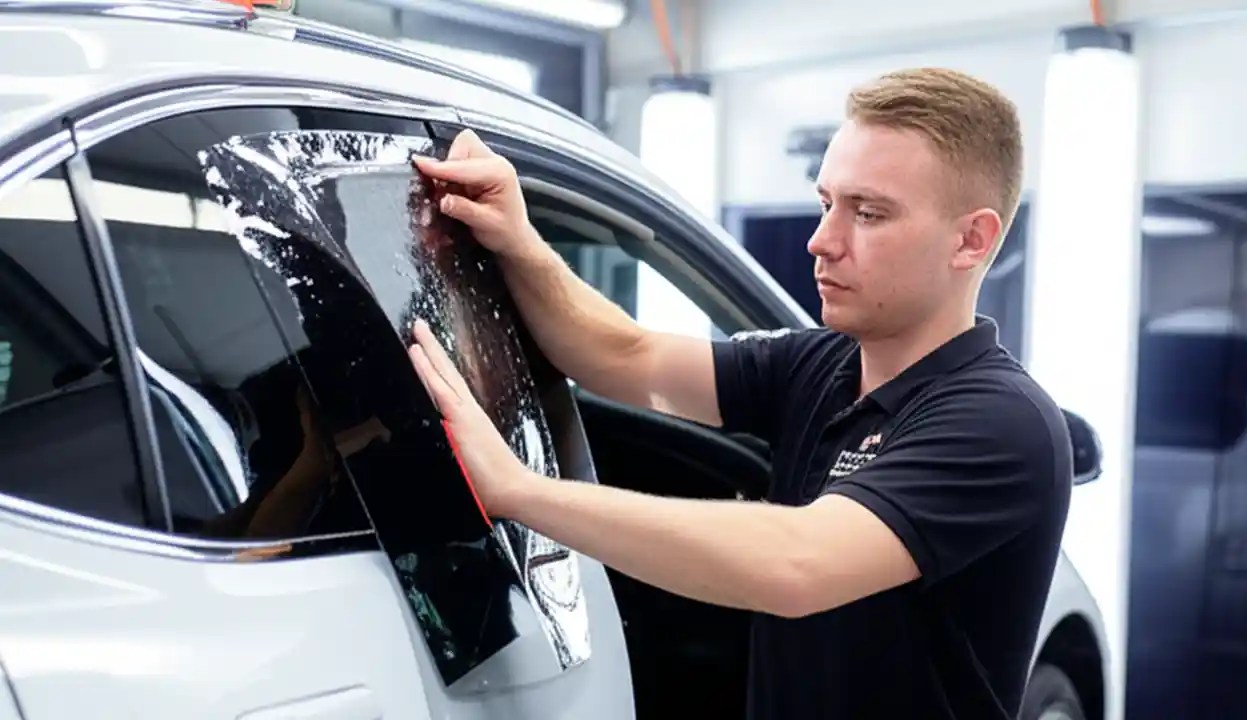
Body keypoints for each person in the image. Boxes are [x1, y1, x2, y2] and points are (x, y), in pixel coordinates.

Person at [407, 67, 1073, 720]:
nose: (822, 242)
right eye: (827, 205)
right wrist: (519, 241)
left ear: (971, 240)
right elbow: (624, 356)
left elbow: (795, 564)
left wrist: (518, 491)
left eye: (868, 214)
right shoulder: (820, 365)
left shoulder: (1001, 423)